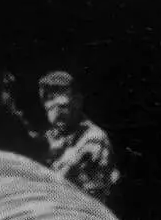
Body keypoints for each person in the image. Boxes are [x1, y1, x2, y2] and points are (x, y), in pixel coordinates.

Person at [38, 70, 121, 209]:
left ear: (77, 102)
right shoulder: (51, 136)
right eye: (50, 108)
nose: (57, 114)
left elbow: (92, 195)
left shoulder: (93, 139)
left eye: (63, 107)